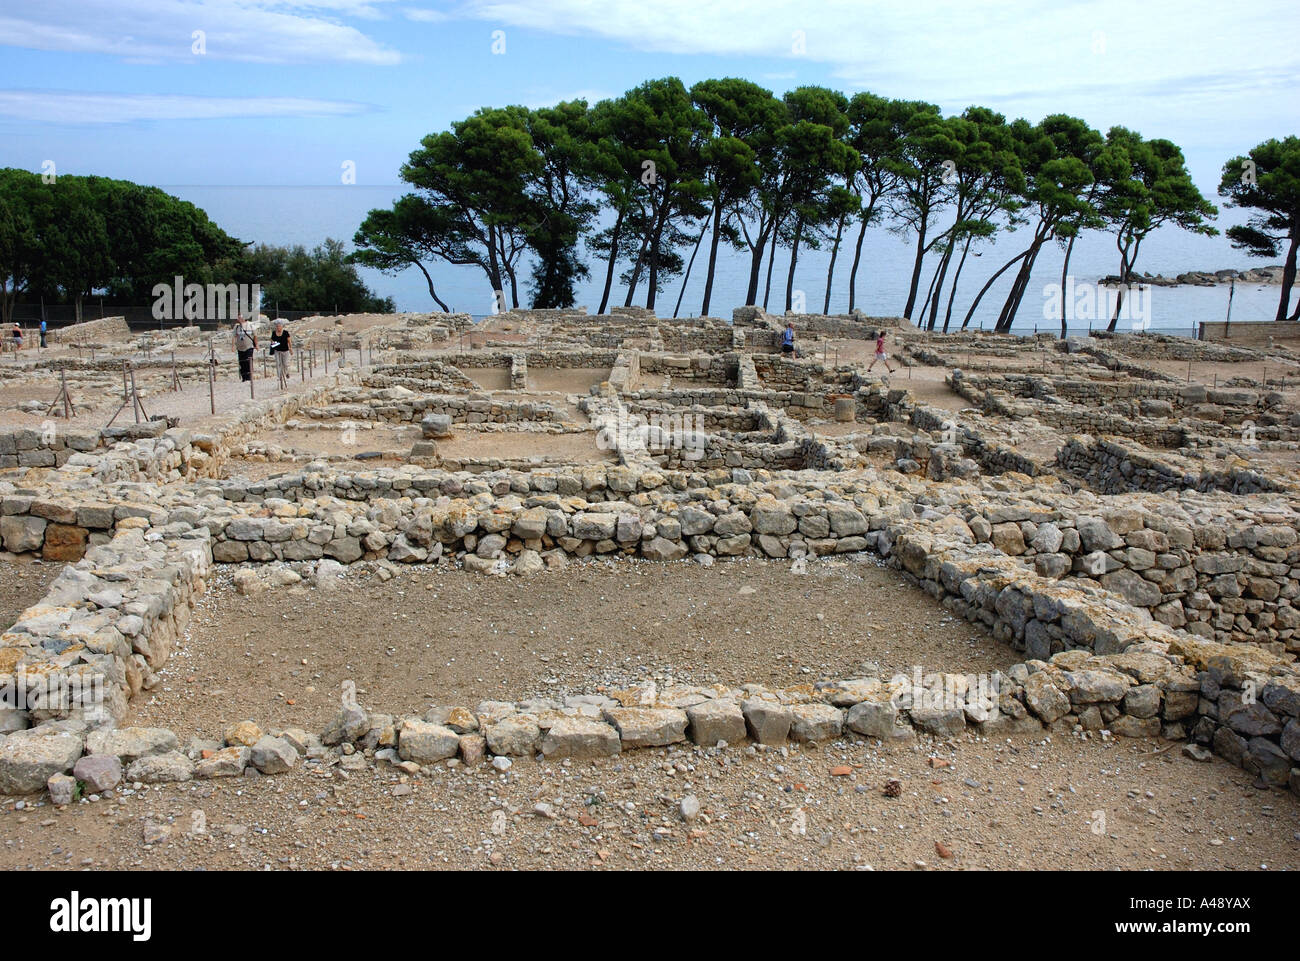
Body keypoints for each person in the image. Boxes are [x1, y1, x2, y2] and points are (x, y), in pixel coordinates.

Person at [233, 315, 257, 382]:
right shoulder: (237, 326)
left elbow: (255, 336)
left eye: (240, 318)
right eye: (238, 318)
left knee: (248, 361)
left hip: (249, 346)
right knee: (242, 362)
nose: (238, 319)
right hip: (240, 347)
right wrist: (233, 346)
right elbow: (234, 336)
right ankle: (244, 377)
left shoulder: (250, 325)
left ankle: (249, 377)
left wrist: (256, 345)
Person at [269, 320, 291, 389]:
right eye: (277, 326)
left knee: (285, 363)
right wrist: (274, 344)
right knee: (278, 363)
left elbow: (289, 341)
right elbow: (272, 341)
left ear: (282, 327)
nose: (278, 328)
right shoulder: (274, 333)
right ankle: (279, 376)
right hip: (277, 350)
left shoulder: (286, 333)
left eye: (279, 326)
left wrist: (291, 348)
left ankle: (286, 372)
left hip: (285, 350)